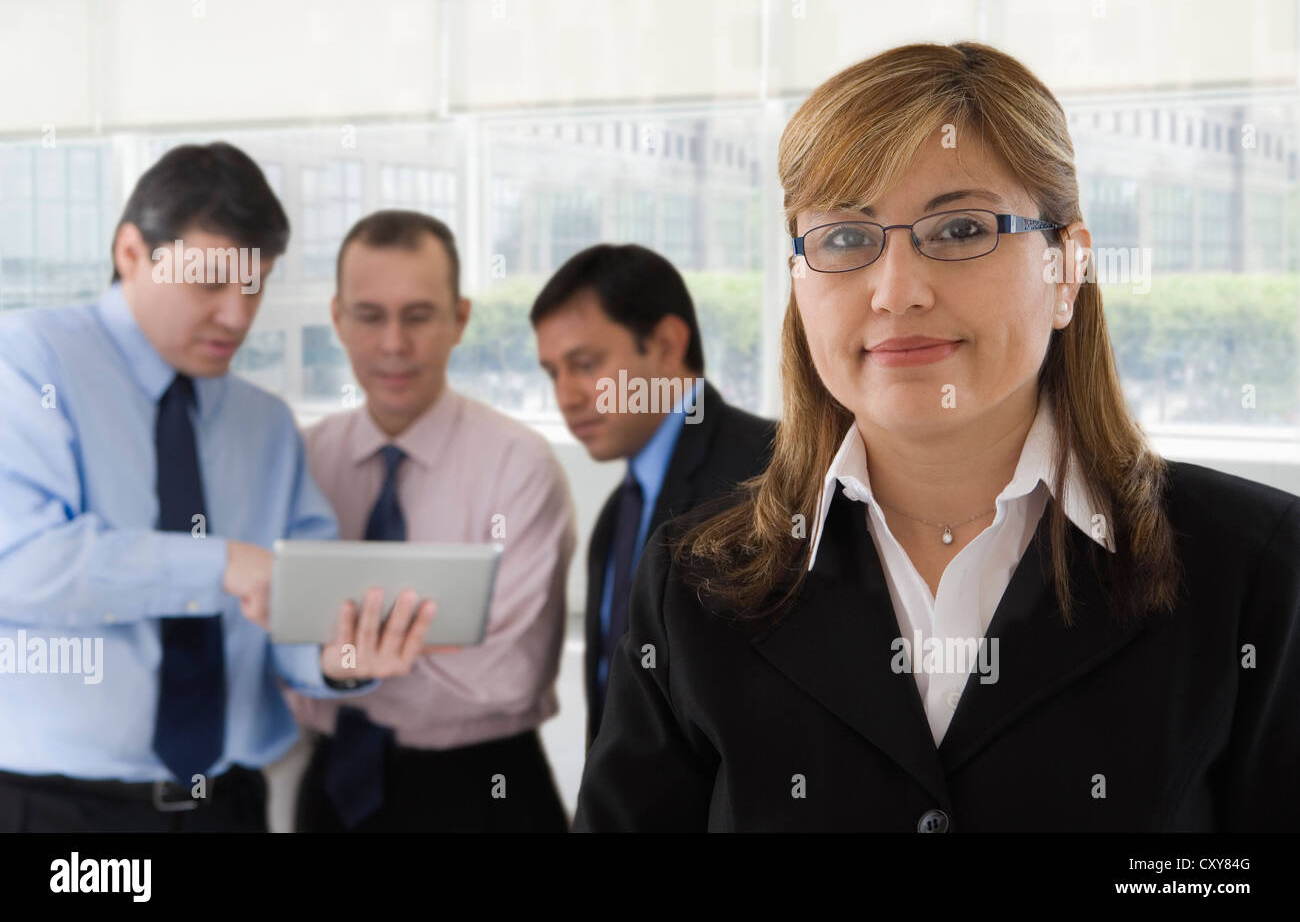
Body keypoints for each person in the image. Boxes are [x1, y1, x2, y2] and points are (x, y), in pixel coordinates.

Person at [572, 42, 1300, 831]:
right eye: (847, 238)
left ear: (1067, 268)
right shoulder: (694, 581)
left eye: (959, 229)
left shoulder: (1256, 568)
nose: (897, 292)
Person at [0, 143, 431, 832]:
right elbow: (19, 564)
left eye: (254, 285)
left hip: (225, 807)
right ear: (132, 253)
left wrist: (341, 657)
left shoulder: (265, 424)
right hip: (57, 810)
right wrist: (221, 564)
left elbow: (293, 603)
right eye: (209, 283)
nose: (237, 316)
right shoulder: (25, 360)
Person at [288, 210, 575, 832]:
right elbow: (263, 650)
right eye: (370, 316)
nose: (394, 343)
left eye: (418, 315)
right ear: (338, 320)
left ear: (459, 320)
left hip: (482, 791)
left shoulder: (518, 464)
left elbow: (511, 672)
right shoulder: (302, 461)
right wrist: (435, 645)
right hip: (334, 787)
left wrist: (337, 667)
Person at [530, 244, 776, 748]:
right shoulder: (616, 516)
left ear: (666, 342)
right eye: (553, 372)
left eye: (584, 363)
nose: (566, 395)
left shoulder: (768, 476)